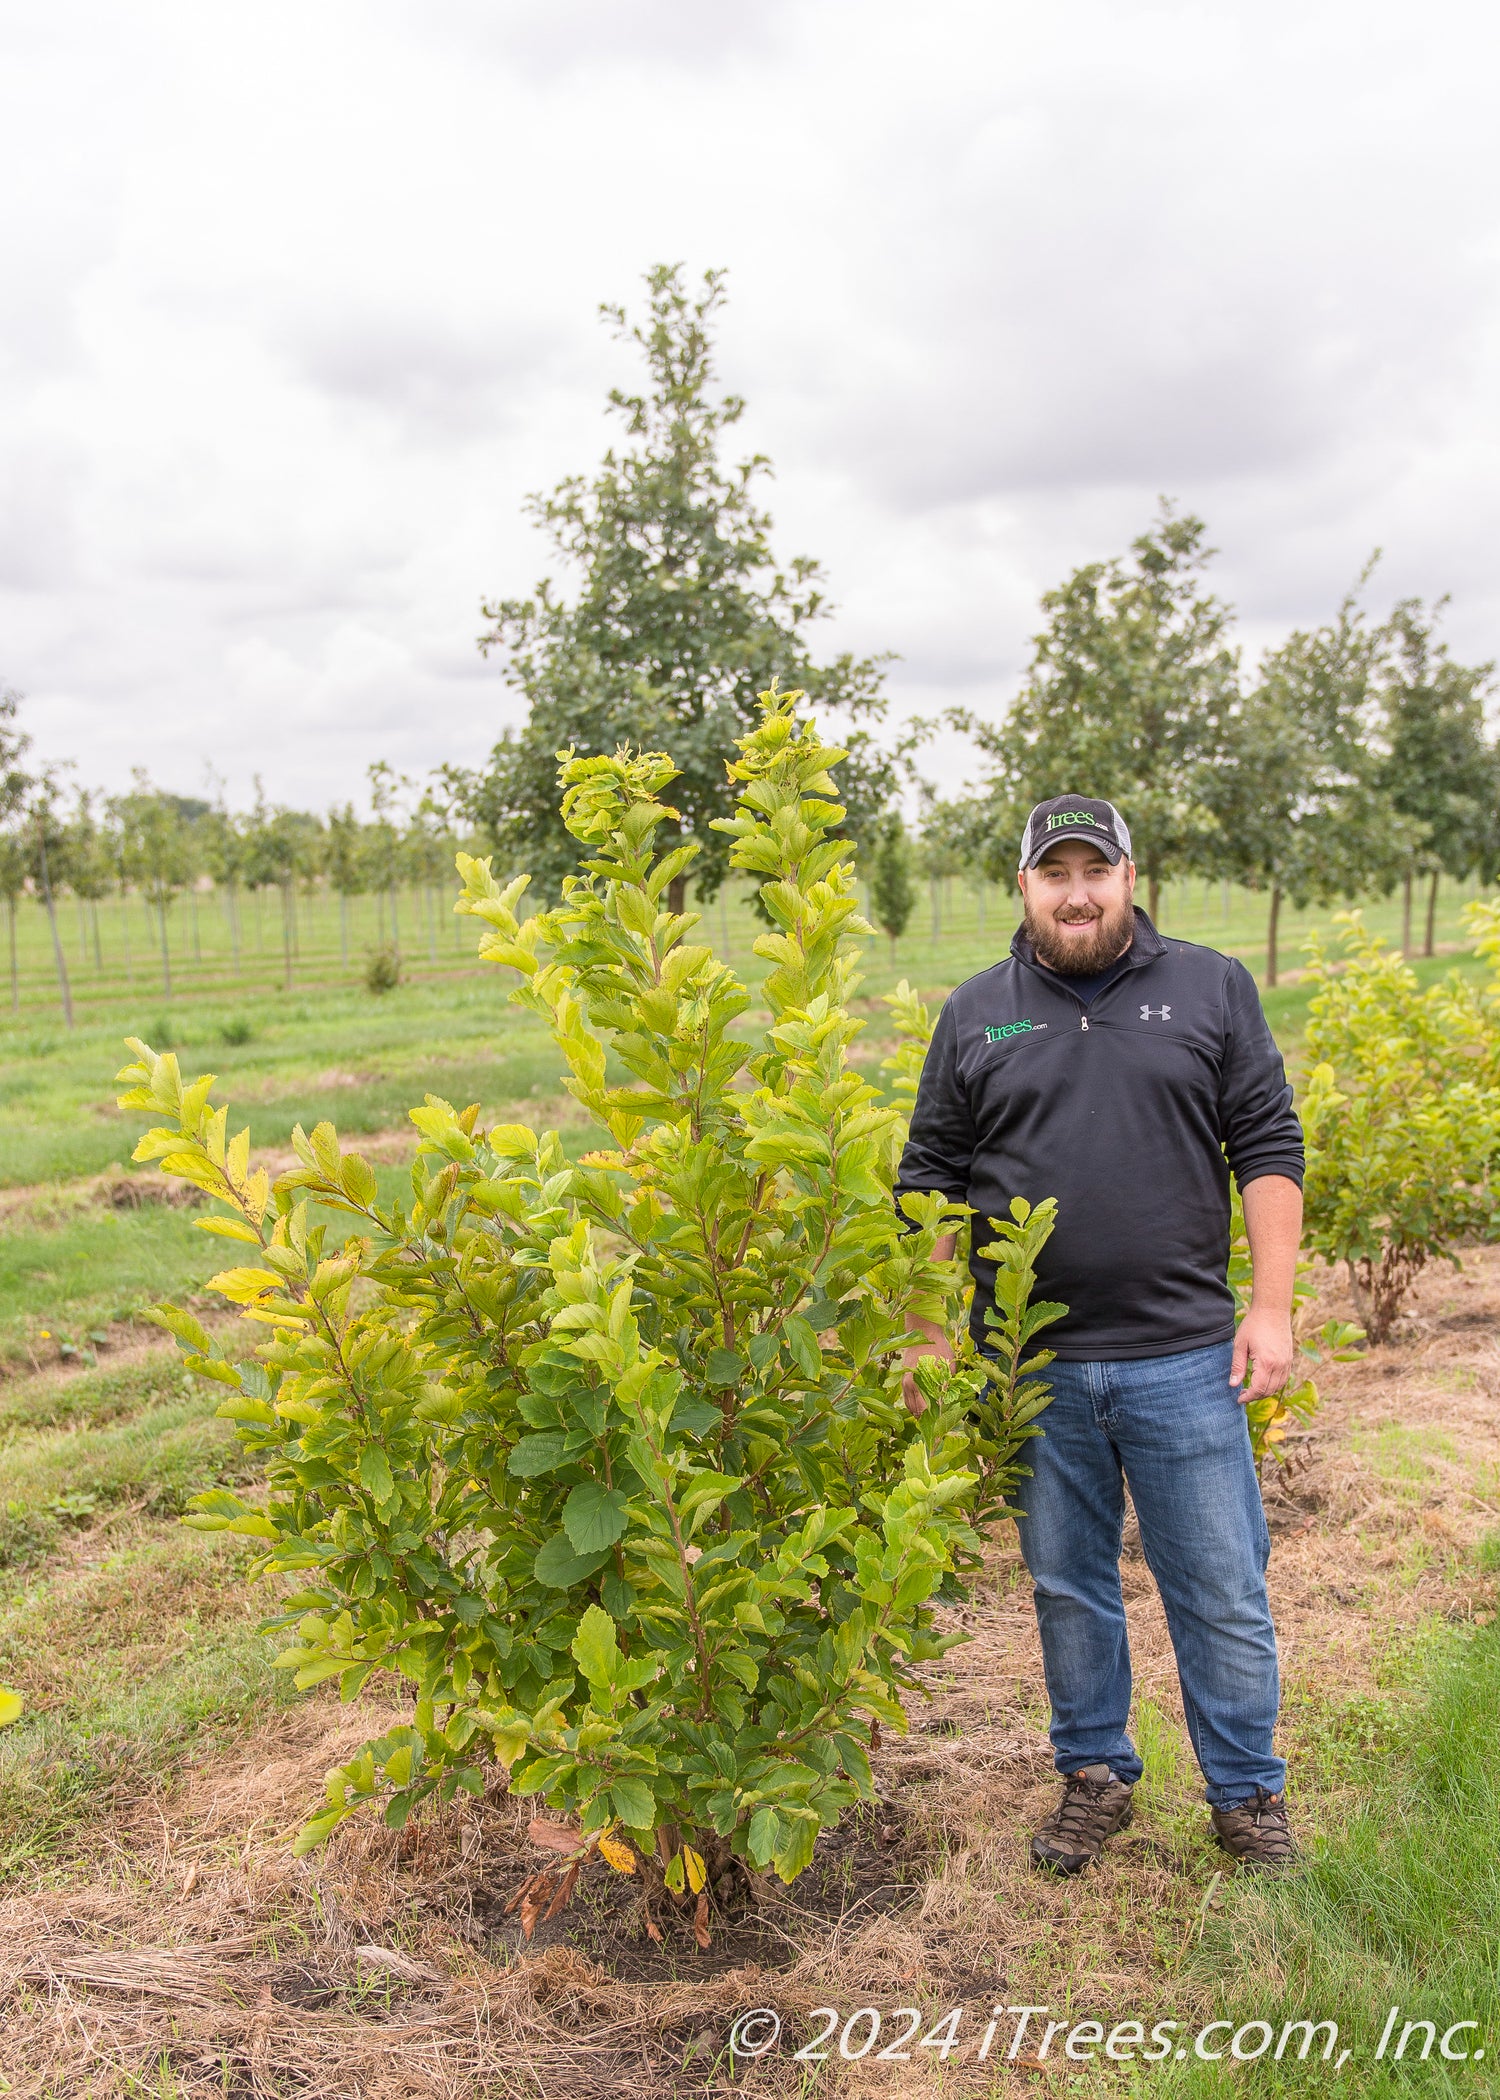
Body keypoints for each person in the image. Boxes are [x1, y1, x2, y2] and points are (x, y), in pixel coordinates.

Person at [895, 795, 1304, 1875]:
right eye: (1053, 873)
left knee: (1219, 1584)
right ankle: (1094, 1775)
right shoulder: (977, 1011)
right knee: (1068, 1585)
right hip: (1033, 1367)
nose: (1077, 893)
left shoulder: (1211, 985)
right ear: (1022, 887)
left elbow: (1266, 1140)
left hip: (1183, 1356)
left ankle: (1247, 1795)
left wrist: (1270, 1307)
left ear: (1131, 875)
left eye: (1096, 869)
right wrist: (929, 1334)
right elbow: (931, 1177)